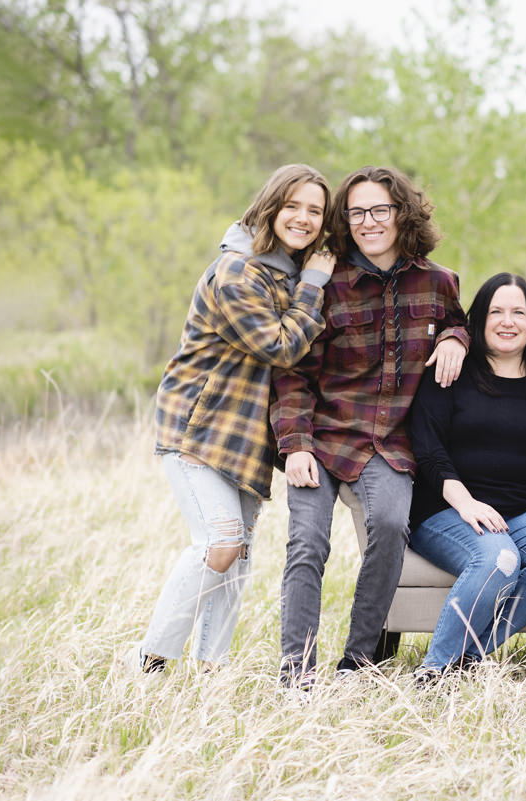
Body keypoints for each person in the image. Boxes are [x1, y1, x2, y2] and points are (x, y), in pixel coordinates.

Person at [272, 166, 469, 688]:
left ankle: (358, 662)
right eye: (356, 212)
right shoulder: (325, 285)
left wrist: (455, 337)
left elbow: (459, 318)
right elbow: (292, 372)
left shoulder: (438, 281)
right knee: (307, 544)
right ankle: (297, 675)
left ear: (402, 213)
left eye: (379, 210)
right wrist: (294, 445)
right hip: (321, 436)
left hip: (391, 444)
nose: (368, 222)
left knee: (388, 526)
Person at [140, 164, 335, 672]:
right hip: (200, 429)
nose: (304, 218)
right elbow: (282, 346)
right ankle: (148, 662)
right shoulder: (237, 272)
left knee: (239, 558)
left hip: (246, 439)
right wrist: (315, 283)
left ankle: (212, 672)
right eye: (293, 206)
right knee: (222, 541)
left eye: (315, 210)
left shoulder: (283, 274)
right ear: (270, 206)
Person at [408, 273, 526, 682]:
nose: (508, 321)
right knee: (499, 558)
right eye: (496, 311)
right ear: (479, 320)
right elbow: (427, 449)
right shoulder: (452, 373)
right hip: (448, 508)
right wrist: (466, 503)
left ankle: (468, 656)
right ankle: (435, 672)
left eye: (518, 312)